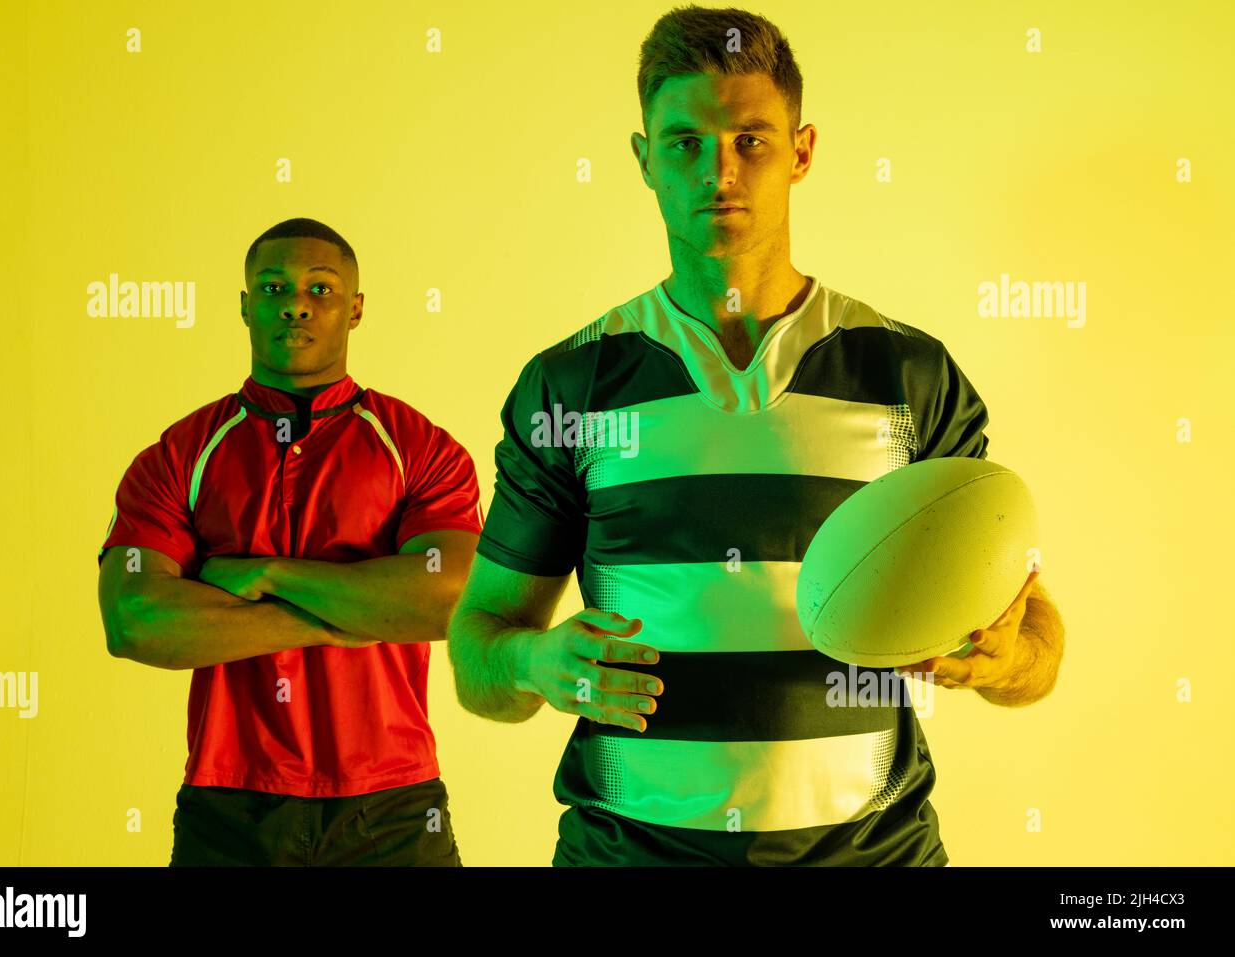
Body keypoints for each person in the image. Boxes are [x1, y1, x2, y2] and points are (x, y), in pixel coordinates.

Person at [447, 5, 1063, 866]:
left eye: (750, 138)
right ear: (644, 161)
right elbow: (479, 649)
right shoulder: (572, 384)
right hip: (629, 855)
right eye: (686, 143)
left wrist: (1001, 659)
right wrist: (535, 663)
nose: (719, 171)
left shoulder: (907, 376)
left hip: (872, 854)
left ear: (802, 151)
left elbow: (1037, 642)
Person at [97, 217, 483, 866]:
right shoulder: (180, 456)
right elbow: (135, 621)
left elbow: (453, 602)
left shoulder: (418, 448)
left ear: (356, 308)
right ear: (246, 305)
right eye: (273, 286)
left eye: (321, 288)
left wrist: (267, 573)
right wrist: (351, 616)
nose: (296, 302)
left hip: (393, 803)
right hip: (230, 805)